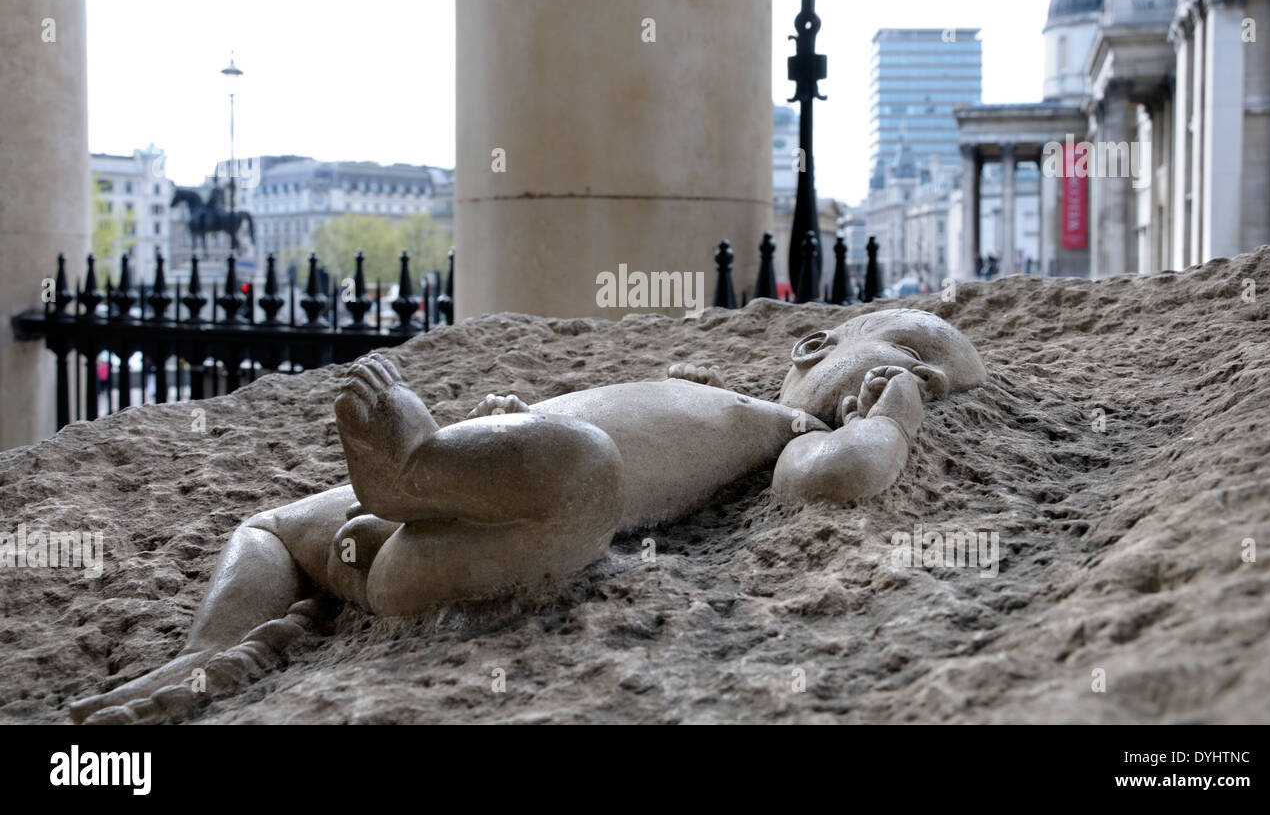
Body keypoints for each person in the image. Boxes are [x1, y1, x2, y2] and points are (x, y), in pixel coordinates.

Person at [70, 308, 984, 723]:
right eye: (911, 350)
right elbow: (264, 529)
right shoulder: (740, 400)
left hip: (484, 532)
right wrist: (506, 425)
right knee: (270, 525)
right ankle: (201, 651)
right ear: (814, 346)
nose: (928, 377)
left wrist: (888, 425)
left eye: (938, 376)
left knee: (587, 467)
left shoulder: (783, 430)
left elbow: (826, 479)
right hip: (443, 509)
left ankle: (416, 468)